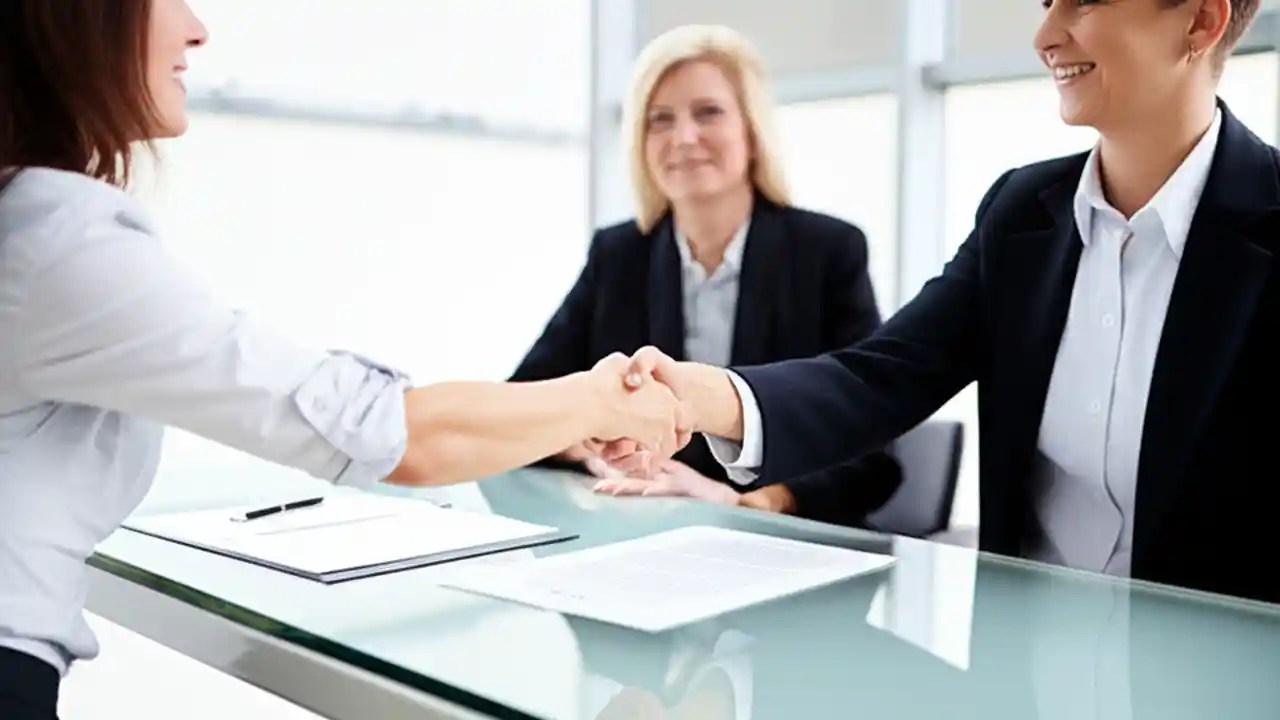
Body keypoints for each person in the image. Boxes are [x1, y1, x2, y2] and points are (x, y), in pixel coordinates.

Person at [0, 2, 683, 715]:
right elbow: (389, 431)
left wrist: (565, 415)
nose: (196, 28)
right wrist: (600, 401)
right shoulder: (56, 240)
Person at [608, 0, 1280, 605]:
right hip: (1024, 669)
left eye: (1081, 1)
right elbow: (879, 377)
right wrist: (694, 396)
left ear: (1201, 21)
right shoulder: (1019, 215)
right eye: (1046, 5)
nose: (1045, 34)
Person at [511, 24, 901, 527]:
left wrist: (743, 501)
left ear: (752, 130)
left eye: (708, 112)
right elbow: (526, 402)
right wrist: (587, 438)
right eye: (660, 119)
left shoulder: (828, 251)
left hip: (782, 547)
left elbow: (872, 455)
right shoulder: (619, 255)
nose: (683, 137)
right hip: (639, 533)